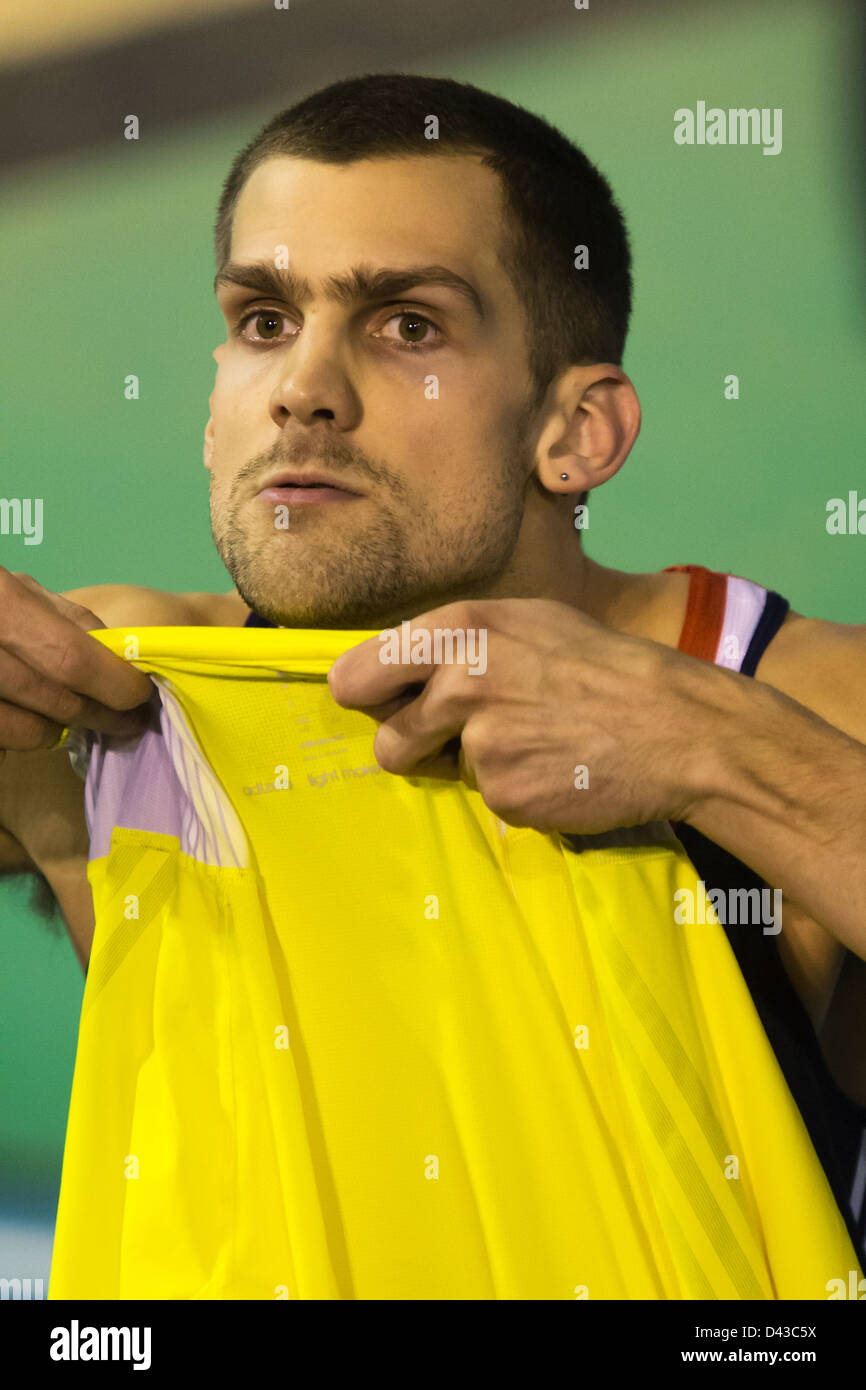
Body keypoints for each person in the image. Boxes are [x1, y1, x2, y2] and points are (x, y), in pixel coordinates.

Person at [1, 73, 864, 1285]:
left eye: (406, 324)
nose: (302, 387)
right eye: (263, 320)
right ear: (210, 414)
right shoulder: (103, 691)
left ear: (576, 434)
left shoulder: (784, 693)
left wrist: (708, 742)